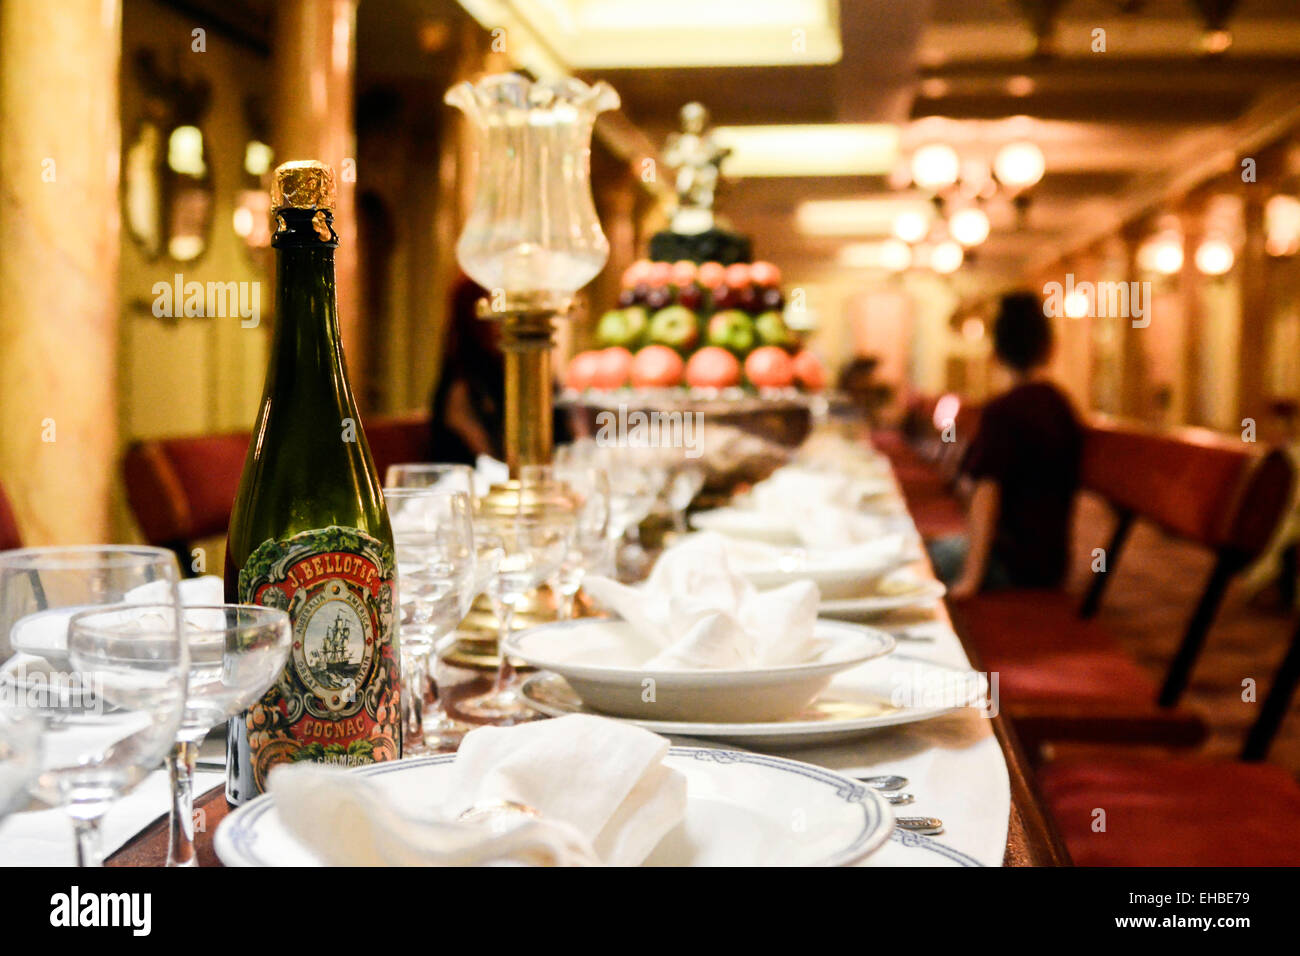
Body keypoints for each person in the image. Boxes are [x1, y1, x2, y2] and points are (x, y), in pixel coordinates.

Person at [929, 291, 1083, 599]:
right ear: (1051, 348)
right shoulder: (1062, 405)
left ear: (995, 353)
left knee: (917, 560)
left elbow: (987, 494)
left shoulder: (1002, 411)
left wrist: (971, 579)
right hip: (1051, 565)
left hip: (1011, 566)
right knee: (929, 547)